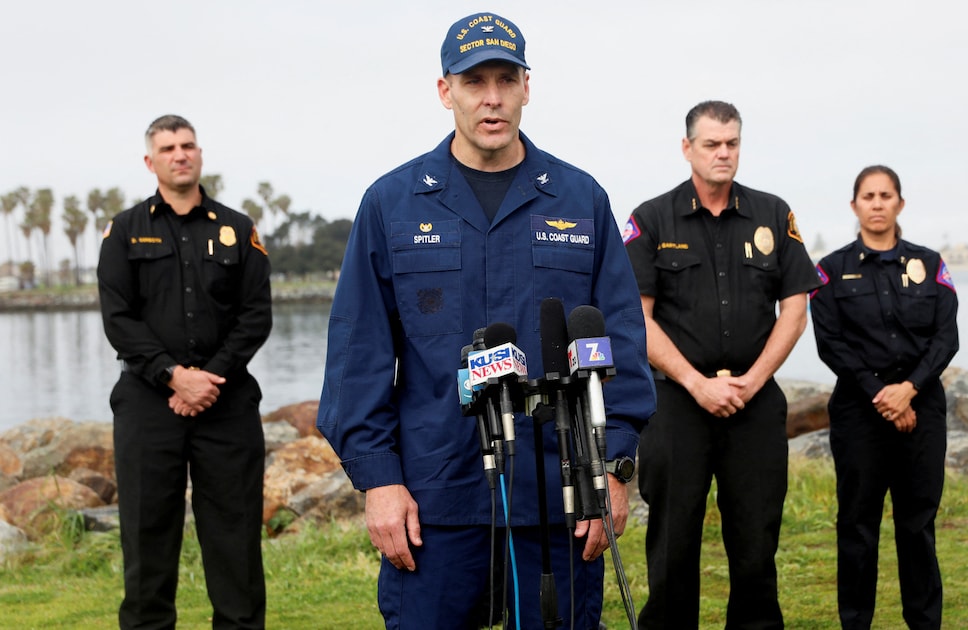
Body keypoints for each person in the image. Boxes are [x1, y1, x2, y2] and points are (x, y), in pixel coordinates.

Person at [316, 12, 655, 629]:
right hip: (434, 496)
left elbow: (622, 343)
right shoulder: (391, 204)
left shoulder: (581, 201)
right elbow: (357, 356)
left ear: (529, 86)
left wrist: (615, 467)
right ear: (445, 91)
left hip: (560, 495)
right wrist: (378, 482)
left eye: (505, 78)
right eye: (474, 81)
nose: (491, 98)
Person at [623, 100, 821, 629]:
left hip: (753, 405)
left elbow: (796, 308)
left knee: (757, 543)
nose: (723, 153)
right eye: (711, 143)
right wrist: (694, 382)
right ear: (687, 148)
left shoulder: (773, 214)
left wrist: (752, 382)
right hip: (675, 403)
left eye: (732, 142)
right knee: (672, 543)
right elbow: (637, 320)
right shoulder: (650, 218)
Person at [97, 114, 273, 629]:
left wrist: (208, 378)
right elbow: (118, 317)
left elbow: (255, 315)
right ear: (150, 161)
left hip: (227, 405)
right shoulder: (125, 231)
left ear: (200, 155)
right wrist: (173, 375)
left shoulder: (238, 229)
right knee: (147, 541)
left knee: (235, 541)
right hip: (148, 406)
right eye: (169, 147)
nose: (180, 154)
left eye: (188, 145)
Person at [809, 165, 959, 629]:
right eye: (868, 196)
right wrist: (882, 395)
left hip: (922, 409)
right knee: (857, 528)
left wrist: (909, 389)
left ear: (900, 203)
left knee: (917, 526)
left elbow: (946, 336)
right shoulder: (831, 270)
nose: (877, 203)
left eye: (886, 195)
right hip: (859, 412)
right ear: (854, 205)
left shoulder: (931, 263)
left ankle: (925, 622)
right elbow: (831, 344)